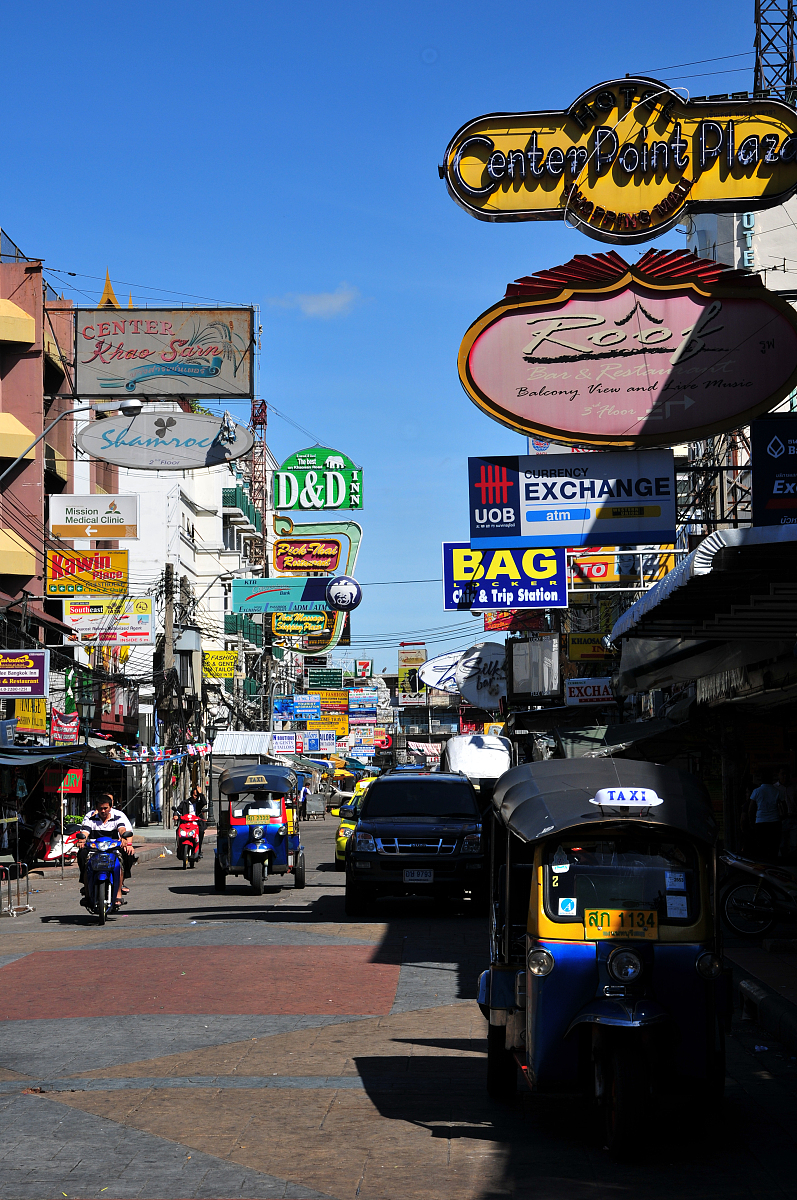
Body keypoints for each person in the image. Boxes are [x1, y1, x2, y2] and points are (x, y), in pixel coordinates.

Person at [76, 794, 134, 908]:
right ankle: (87, 892)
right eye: (100, 808)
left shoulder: (117, 817)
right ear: (96, 808)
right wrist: (82, 839)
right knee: (82, 855)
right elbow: (85, 831)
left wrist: (123, 837)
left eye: (105, 808)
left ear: (110, 807)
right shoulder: (90, 819)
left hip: (112, 850)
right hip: (94, 850)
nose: (103, 811)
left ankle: (118, 891)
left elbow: (122, 828)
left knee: (124, 858)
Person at [749, 769, 782, 862]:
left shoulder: (756, 791)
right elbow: (783, 807)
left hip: (761, 822)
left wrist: (752, 822)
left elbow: (751, 809)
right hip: (775, 822)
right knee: (773, 848)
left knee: (762, 847)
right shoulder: (777, 791)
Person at [777, 767, 797, 862]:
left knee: (794, 844)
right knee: (782, 844)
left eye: (787, 774)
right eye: (783, 774)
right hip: (781, 819)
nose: (785, 776)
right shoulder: (775, 788)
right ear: (779, 775)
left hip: (793, 817)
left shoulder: (794, 787)